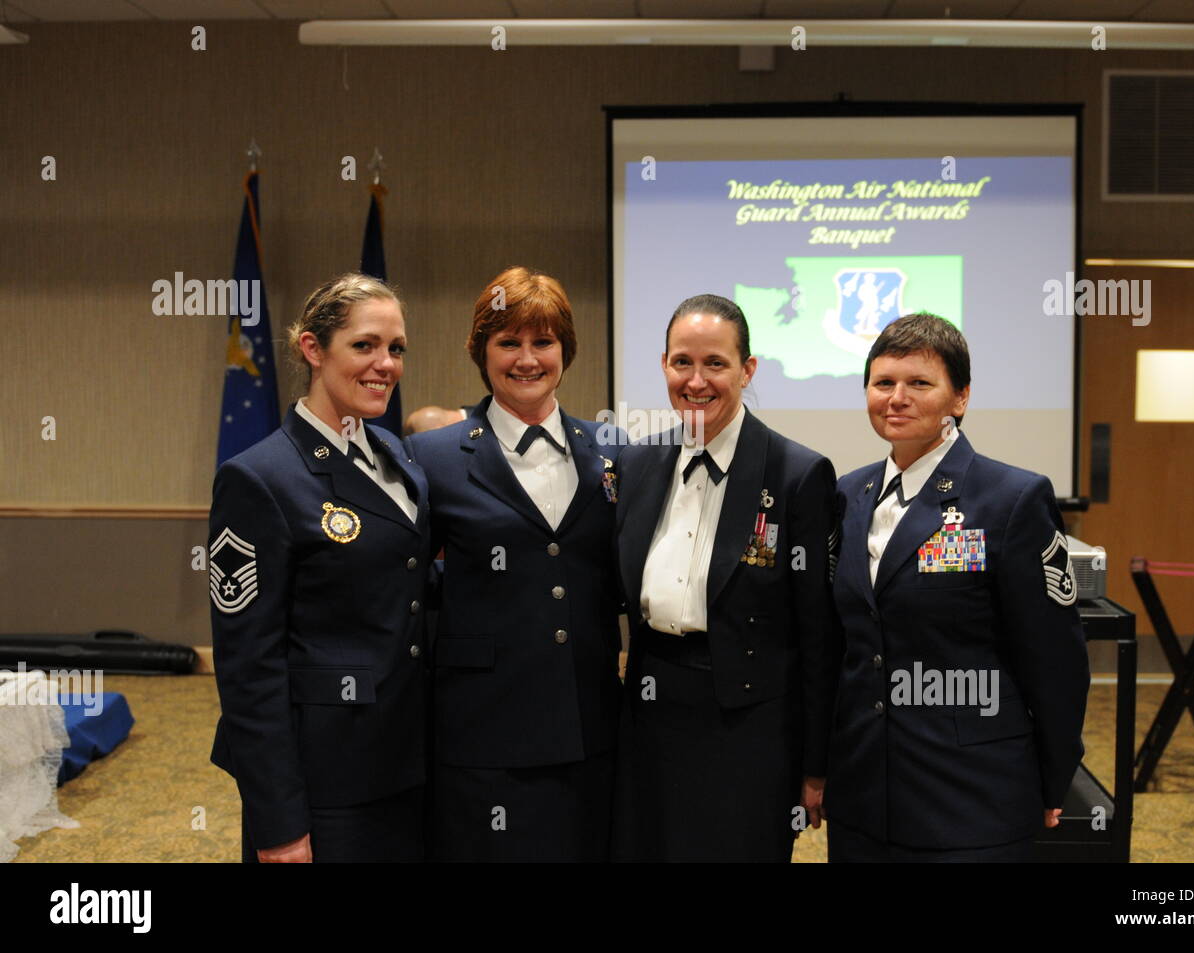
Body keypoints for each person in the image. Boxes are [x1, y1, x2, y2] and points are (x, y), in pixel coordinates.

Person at [824, 311, 1090, 862]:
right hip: (864, 796)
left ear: (960, 399)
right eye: (883, 383)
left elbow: (1055, 659)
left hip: (972, 796)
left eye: (919, 383)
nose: (897, 397)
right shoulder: (848, 494)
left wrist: (1053, 776)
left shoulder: (1012, 498)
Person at [208, 273, 431, 863]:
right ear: (313, 349)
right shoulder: (260, 478)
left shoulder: (397, 457)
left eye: (396, 348)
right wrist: (279, 824)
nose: (385, 363)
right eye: (364, 345)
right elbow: (248, 669)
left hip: (406, 763)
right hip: (325, 782)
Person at [405, 266, 623, 862]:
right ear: (482, 351)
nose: (527, 359)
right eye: (509, 342)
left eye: (543, 342)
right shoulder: (432, 457)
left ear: (565, 351)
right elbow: (409, 589)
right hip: (482, 729)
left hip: (588, 725)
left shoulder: (614, 451)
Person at [613, 294, 839, 862]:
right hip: (650, 713)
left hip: (749, 731)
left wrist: (816, 764)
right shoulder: (637, 464)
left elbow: (818, 634)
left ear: (747, 369)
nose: (696, 381)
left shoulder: (797, 474)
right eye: (681, 362)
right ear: (664, 364)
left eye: (715, 363)